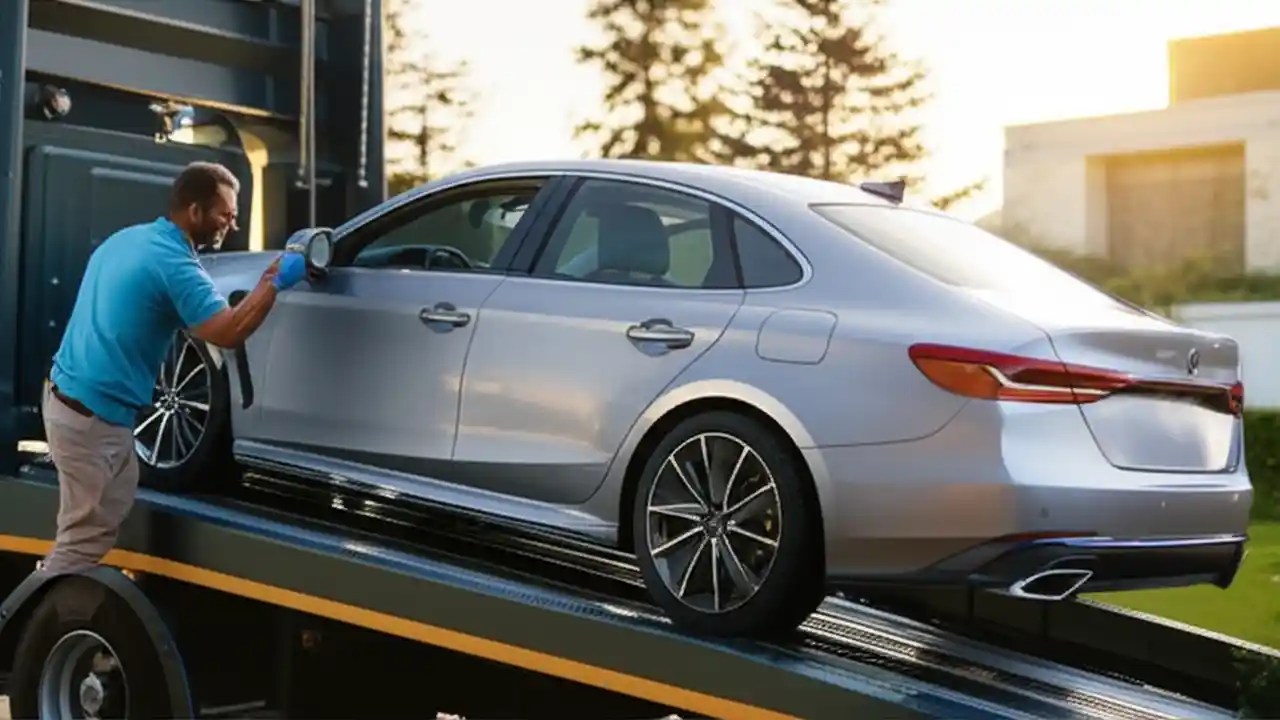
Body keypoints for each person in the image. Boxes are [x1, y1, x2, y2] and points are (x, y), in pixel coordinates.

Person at [38, 160, 307, 575]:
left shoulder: (127, 239)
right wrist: (273, 281)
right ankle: (29, 621)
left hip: (69, 400)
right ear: (195, 211)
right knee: (79, 546)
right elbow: (229, 331)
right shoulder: (175, 265)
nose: (231, 225)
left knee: (121, 488)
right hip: (90, 422)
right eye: (225, 214)